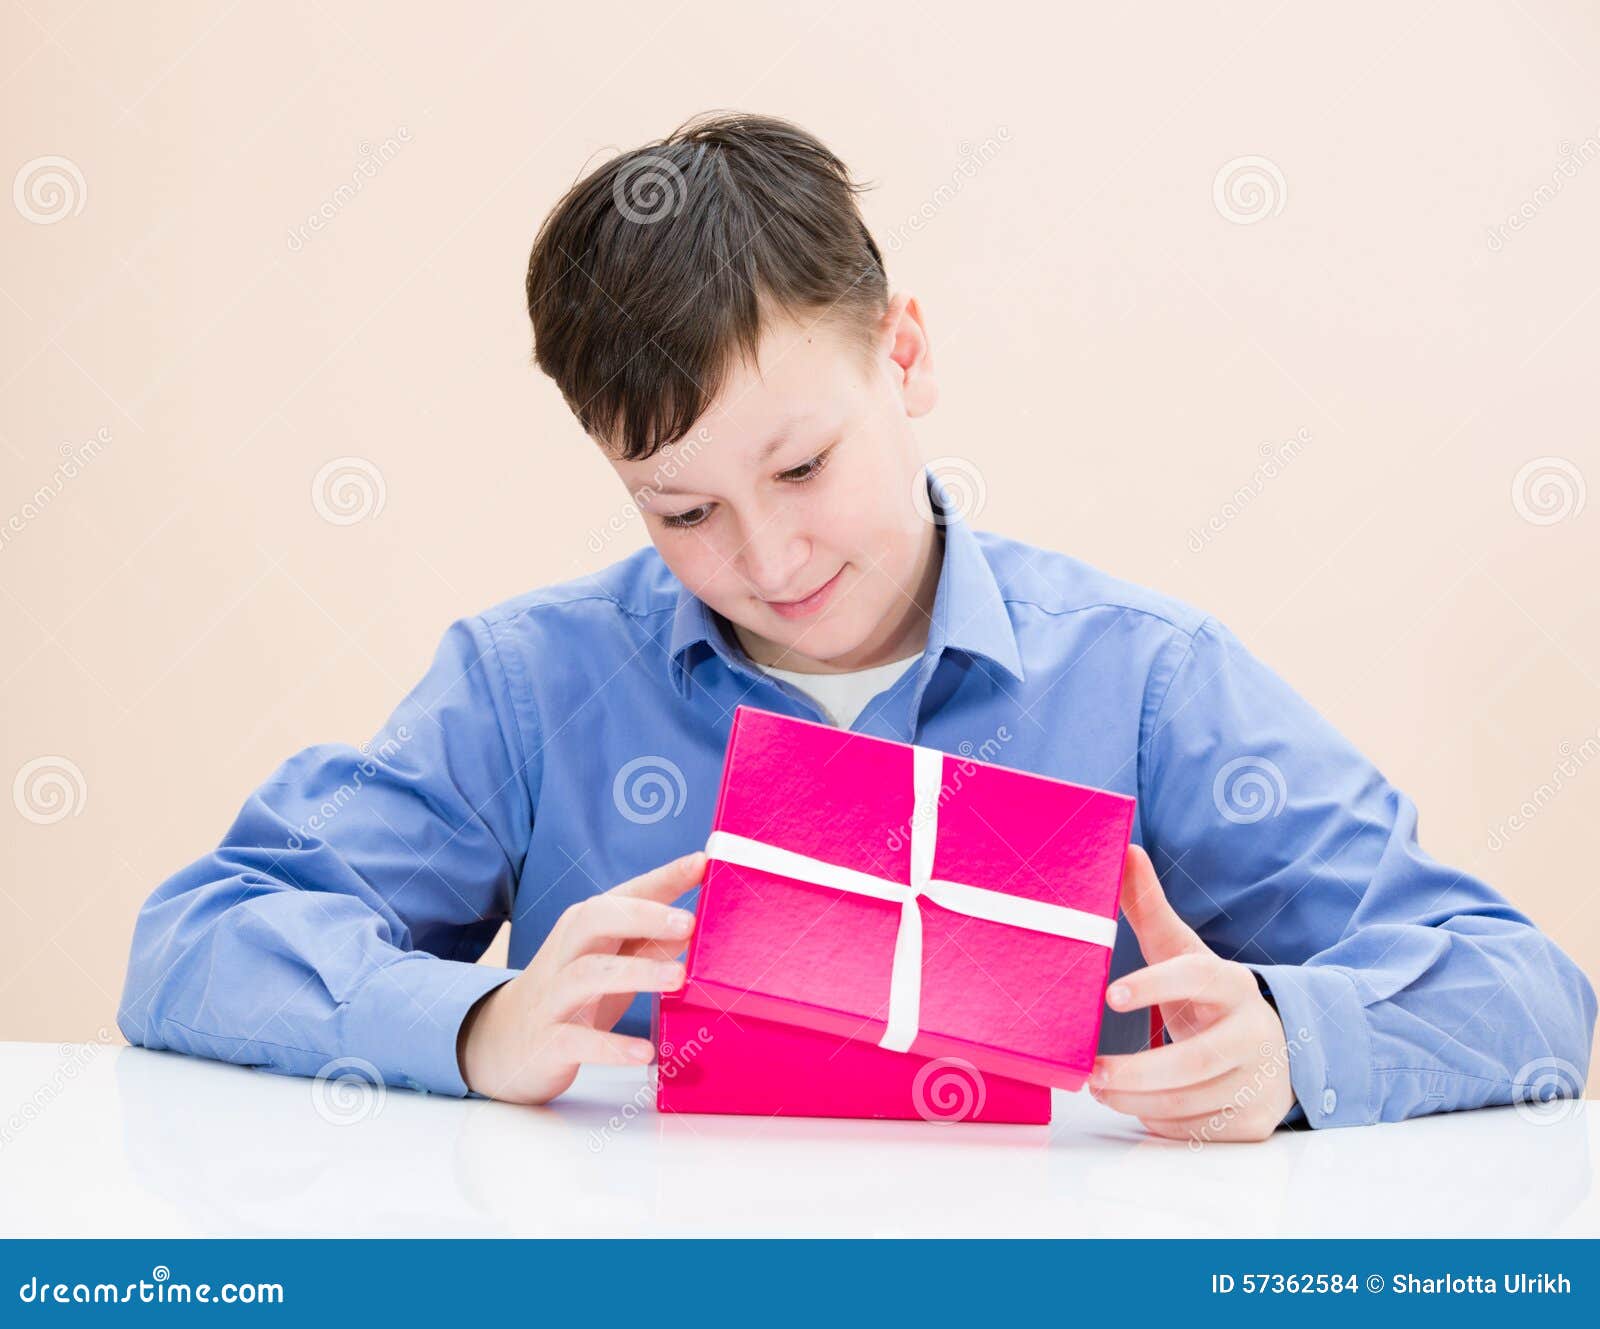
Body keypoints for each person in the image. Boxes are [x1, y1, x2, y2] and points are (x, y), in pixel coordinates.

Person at [118, 112, 1595, 1141]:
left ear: (905, 350)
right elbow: (200, 940)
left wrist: (1291, 1049)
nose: (764, 556)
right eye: (678, 510)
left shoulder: (1144, 680)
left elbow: (1527, 992)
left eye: (803, 465)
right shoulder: (528, 687)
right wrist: (471, 1027)